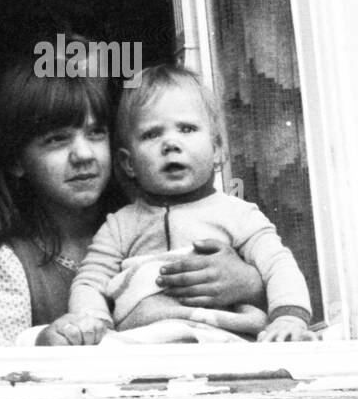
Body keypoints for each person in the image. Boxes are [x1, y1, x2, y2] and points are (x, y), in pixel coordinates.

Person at [0, 48, 267, 347]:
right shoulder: (2, 260)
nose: (83, 154)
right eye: (57, 140)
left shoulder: (147, 223)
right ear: (17, 161)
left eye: (96, 133)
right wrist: (43, 341)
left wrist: (250, 284)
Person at [67, 64, 315, 343]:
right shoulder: (120, 225)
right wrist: (93, 324)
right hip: (144, 348)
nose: (170, 143)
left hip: (224, 341)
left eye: (187, 129)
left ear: (217, 149)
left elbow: (278, 264)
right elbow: (90, 282)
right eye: (151, 134)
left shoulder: (238, 215)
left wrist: (289, 317)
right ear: (128, 163)